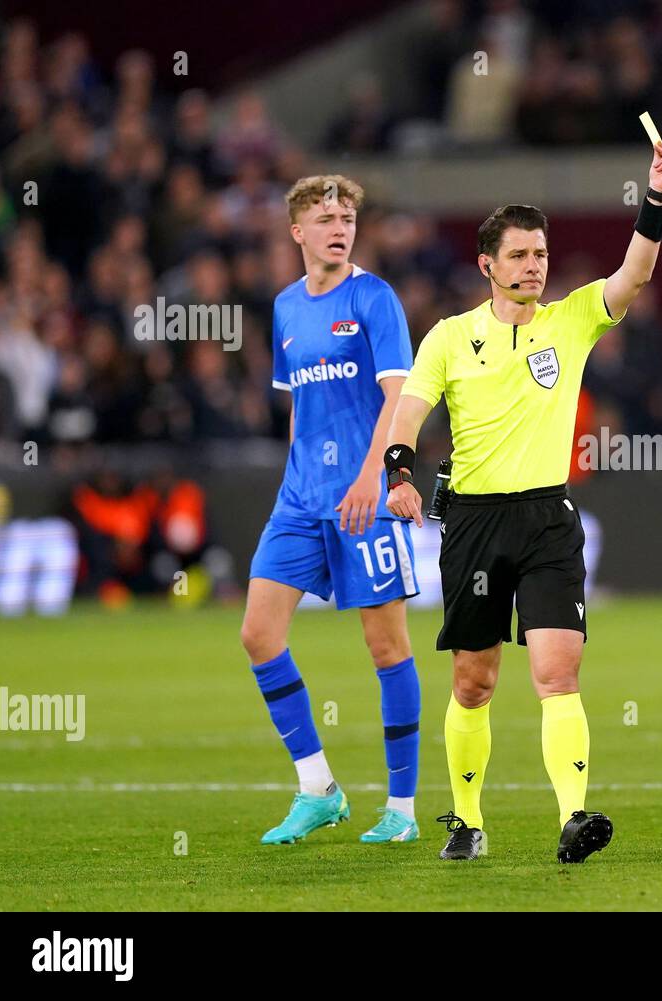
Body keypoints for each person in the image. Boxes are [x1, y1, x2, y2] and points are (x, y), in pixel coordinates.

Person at [385, 143, 662, 863]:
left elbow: (635, 272)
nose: (533, 266)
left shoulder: (572, 318)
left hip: (549, 518)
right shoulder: (451, 337)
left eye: (540, 254)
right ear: (487, 265)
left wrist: (656, 198)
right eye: (518, 255)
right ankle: (465, 820)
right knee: (474, 680)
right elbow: (409, 411)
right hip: (475, 522)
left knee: (558, 672)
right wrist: (398, 472)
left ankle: (574, 816)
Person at [240, 175, 422, 845]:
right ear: (298, 232)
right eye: (325, 219)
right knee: (258, 634)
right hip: (300, 499)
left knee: (386, 646)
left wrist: (376, 476)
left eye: (346, 218)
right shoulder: (287, 307)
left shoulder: (374, 298)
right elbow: (298, 405)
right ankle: (317, 787)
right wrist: (294, 479)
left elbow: (399, 397)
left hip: (364, 496)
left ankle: (401, 809)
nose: (339, 228)